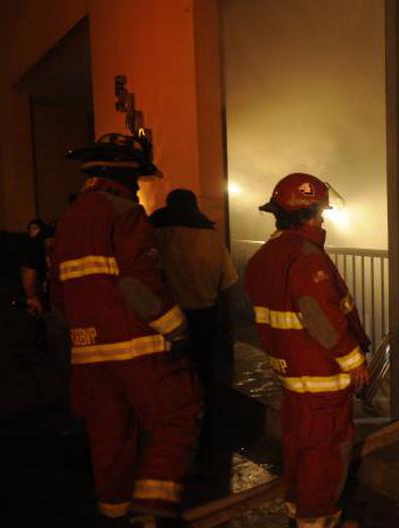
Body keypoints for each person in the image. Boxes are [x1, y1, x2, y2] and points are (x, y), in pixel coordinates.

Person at [53, 133, 201, 526]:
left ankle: (115, 514)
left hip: (87, 353)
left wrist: (85, 331)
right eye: (137, 179)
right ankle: (152, 514)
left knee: (110, 437)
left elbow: (59, 294)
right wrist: (177, 330)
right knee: (177, 418)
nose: (138, 187)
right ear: (125, 174)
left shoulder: (69, 220)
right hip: (137, 347)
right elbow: (138, 285)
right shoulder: (124, 213)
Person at [244, 173, 371, 527]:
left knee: (298, 444)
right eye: (320, 212)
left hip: (292, 373)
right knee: (326, 451)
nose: (324, 219)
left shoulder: (264, 256)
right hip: (320, 373)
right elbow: (319, 317)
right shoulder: (307, 257)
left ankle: (298, 510)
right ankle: (319, 519)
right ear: (312, 212)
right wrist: (353, 359)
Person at [151, 189, 238, 460]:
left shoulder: (158, 234)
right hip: (205, 317)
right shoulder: (210, 236)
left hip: (166, 321)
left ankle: (173, 439)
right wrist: (226, 325)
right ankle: (206, 439)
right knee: (204, 377)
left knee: (170, 381)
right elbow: (228, 285)